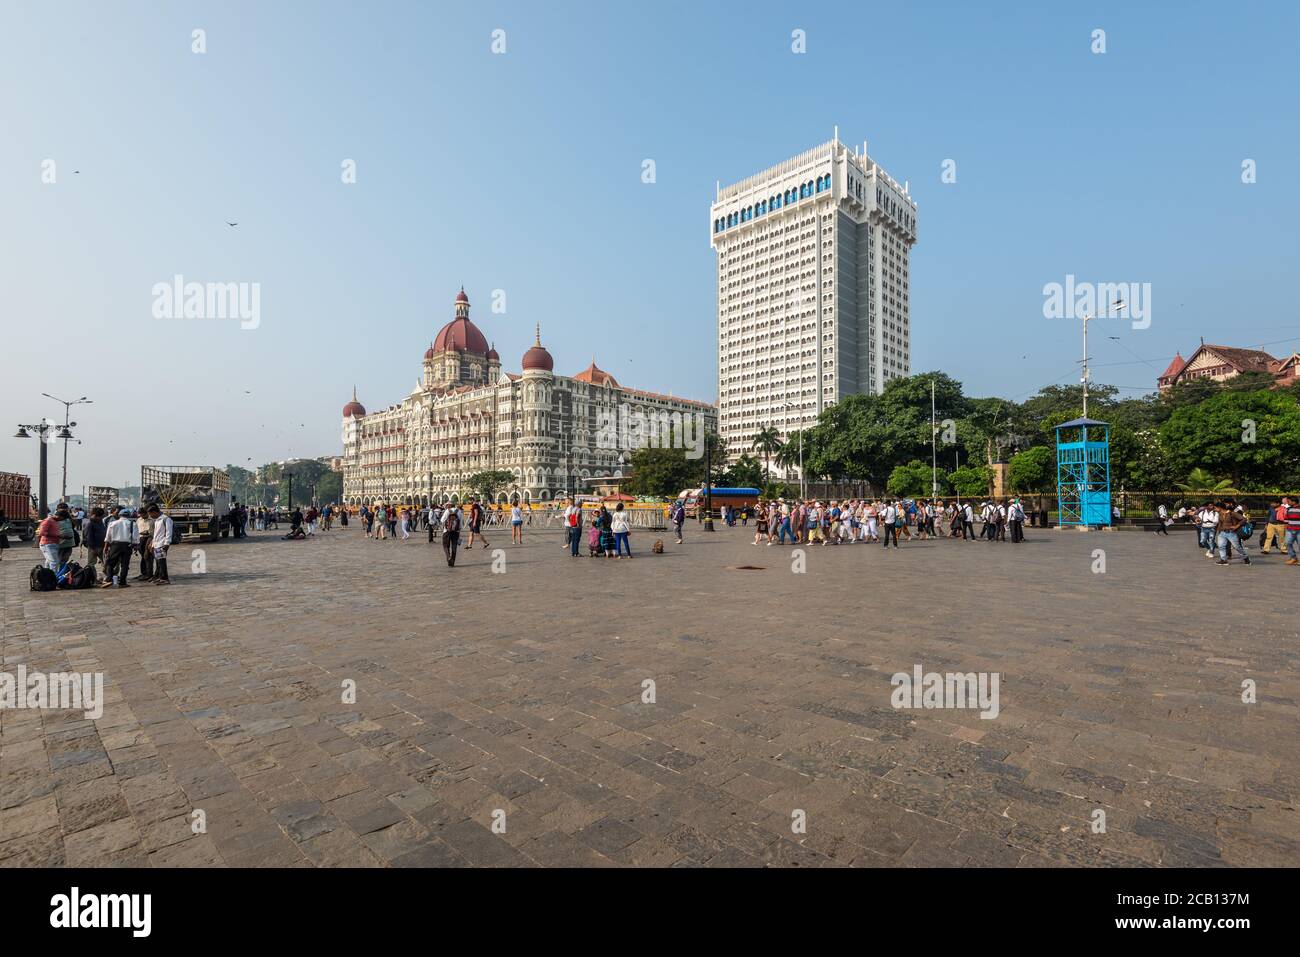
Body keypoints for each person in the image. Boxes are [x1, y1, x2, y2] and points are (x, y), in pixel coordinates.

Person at [100, 508, 137, 587]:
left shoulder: (113, 523)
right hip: (127, 546)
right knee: (125, 565)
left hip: (115, 545)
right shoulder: (132, 524)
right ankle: (122, 582)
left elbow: (108, 537)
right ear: (129, 515)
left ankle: (109, 579)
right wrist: (135, 547)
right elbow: (135, 538)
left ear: (119, 515)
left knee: (110, 563)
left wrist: (106, 547)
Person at [1214, 500, 1251, 566]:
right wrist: (1218, 530)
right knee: (1221, 546)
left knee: (1237, 547)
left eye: (1215, 508)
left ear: (1220, 507)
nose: (1215, 509)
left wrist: (1236, 526)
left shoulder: (1232, 513)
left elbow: (1244, 519)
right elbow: (1220, 523)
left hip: (1231, 533)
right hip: (1222, 533)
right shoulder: (1220, 514)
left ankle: (1246, 558)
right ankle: (1223, 560)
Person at [148, 505, 174, 584]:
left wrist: (167, 543)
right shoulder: (157, 521)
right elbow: (156, 534)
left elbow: (169, 532)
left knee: (162, 562)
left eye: (151, 514)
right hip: (156, 544)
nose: (150, 516)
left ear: (155, 512)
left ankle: (165, 578)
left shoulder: (166, 519)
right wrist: (152, 544)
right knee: (158, 563)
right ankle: (160, 577)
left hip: (162, 544)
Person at [82, 506, 107, 572]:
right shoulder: (89, 523)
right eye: (100, 517)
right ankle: (93, 578)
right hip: (94, 547)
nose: (101, 518)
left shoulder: (100, 522)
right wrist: (92, 548)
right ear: (95, 515)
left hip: (102, 546)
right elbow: (88, 537)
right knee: (91, 564)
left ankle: (108, 577)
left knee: (106, 562)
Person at [1283, 497, 1300, 566]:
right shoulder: (1288, 509)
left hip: (1299, 530)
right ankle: (1293, 558)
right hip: (1290, 530)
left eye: (1289, 501)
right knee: (1287, 543)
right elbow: (1286, 520)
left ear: (1294, 502)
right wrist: (1285, 530)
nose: (1288, 503)